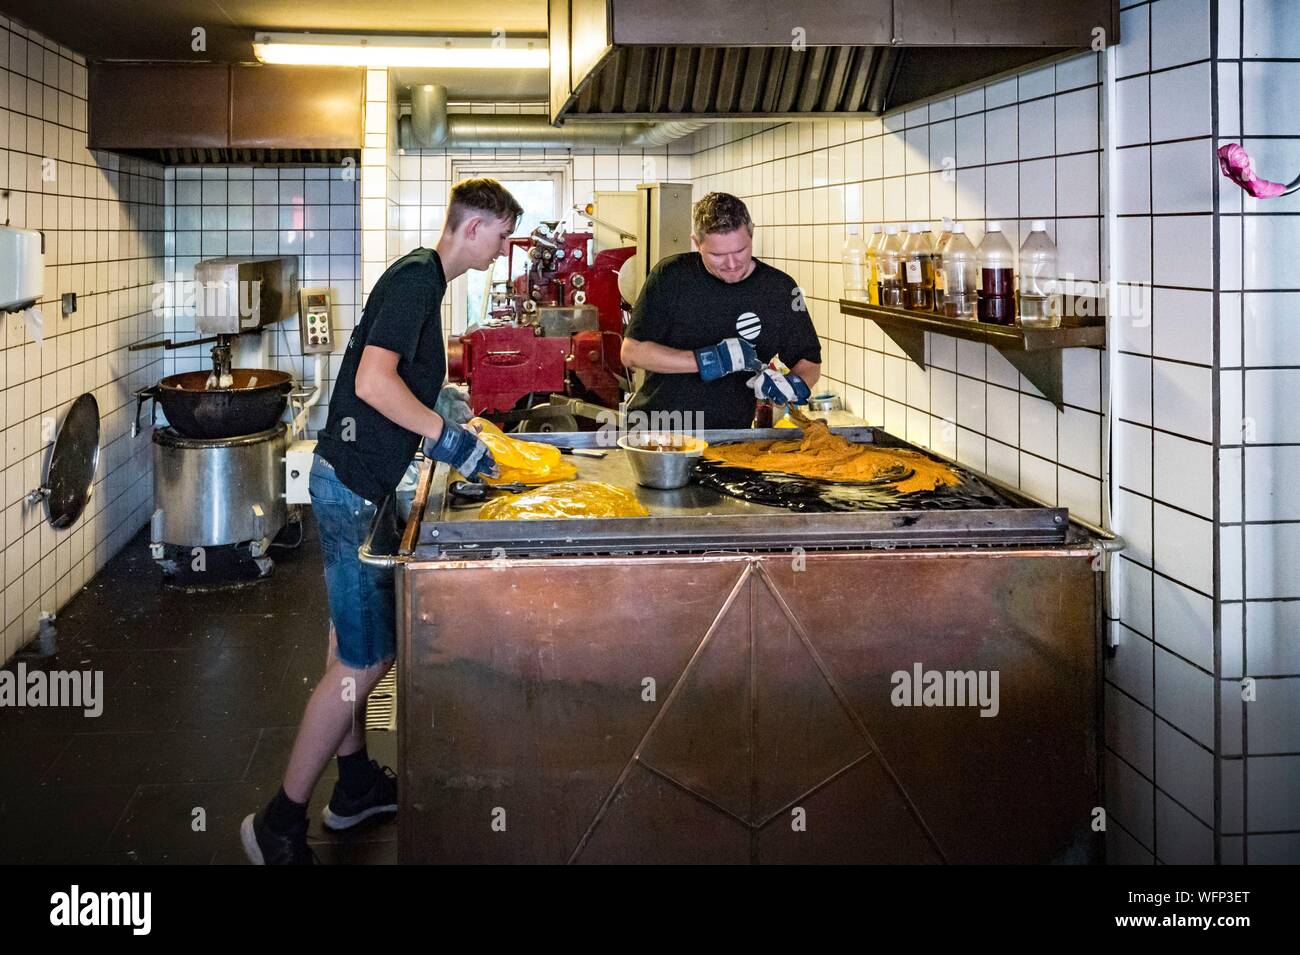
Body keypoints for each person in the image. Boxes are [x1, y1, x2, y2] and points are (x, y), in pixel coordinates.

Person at [241, 178, 524, 864]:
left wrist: (449, 409)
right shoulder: (417, 280)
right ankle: (278, 821)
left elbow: (396, 378)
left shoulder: (426, 282)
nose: (508, 246)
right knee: (368, 659)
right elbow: (372, 381)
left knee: (349, 645)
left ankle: (357, 784)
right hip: (353, 490)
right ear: (476, 226)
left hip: (353, 485)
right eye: (505, 233)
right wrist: (444, 437)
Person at [620, 191, 822, 430]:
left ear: (752, 233)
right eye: (717, 255)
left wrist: (793, 384)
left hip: (731, 437)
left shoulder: (779, 289)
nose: (732, 264)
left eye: (740, 250)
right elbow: (632, 353)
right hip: (658, 432)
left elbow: (809, 360)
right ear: (697, 243)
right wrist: (711, 360)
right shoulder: (671, 276)